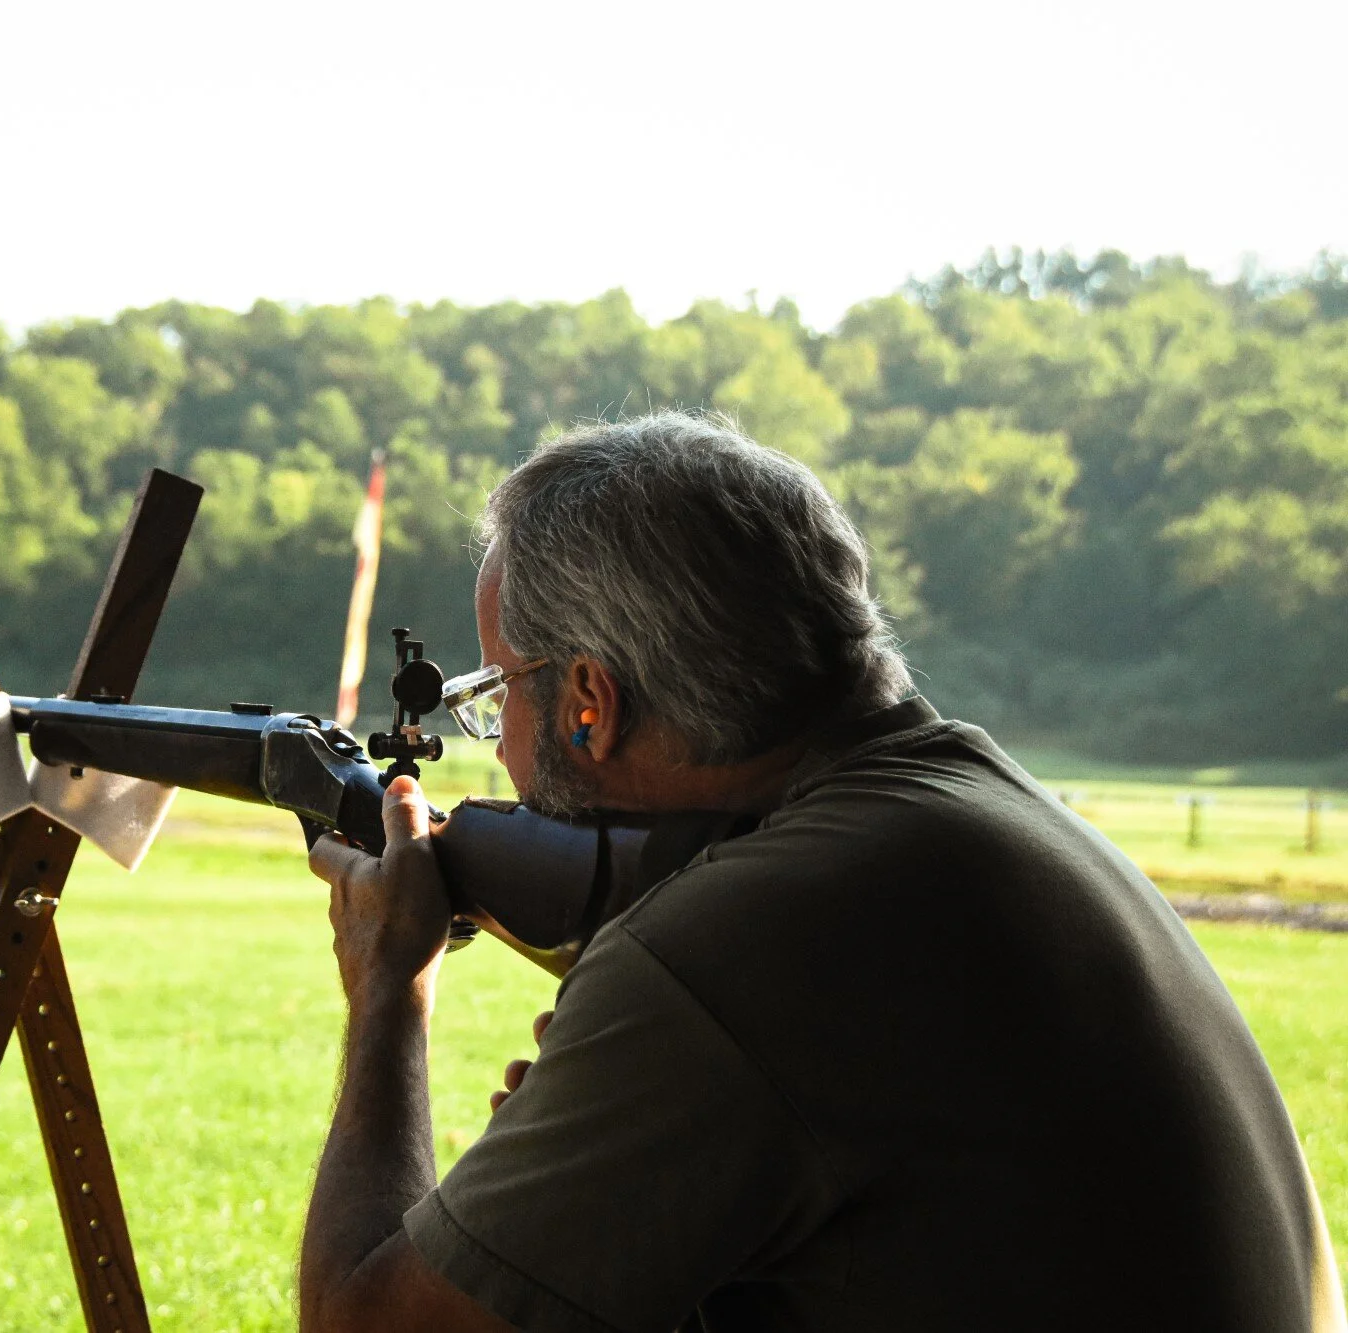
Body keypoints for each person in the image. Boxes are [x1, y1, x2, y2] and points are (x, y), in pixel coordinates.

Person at [300, 411, 1346, 1333]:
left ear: (588, 700)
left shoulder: (741, 944)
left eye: (496, 693)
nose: (498, 746)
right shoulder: (980, 820)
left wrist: (390, 984)